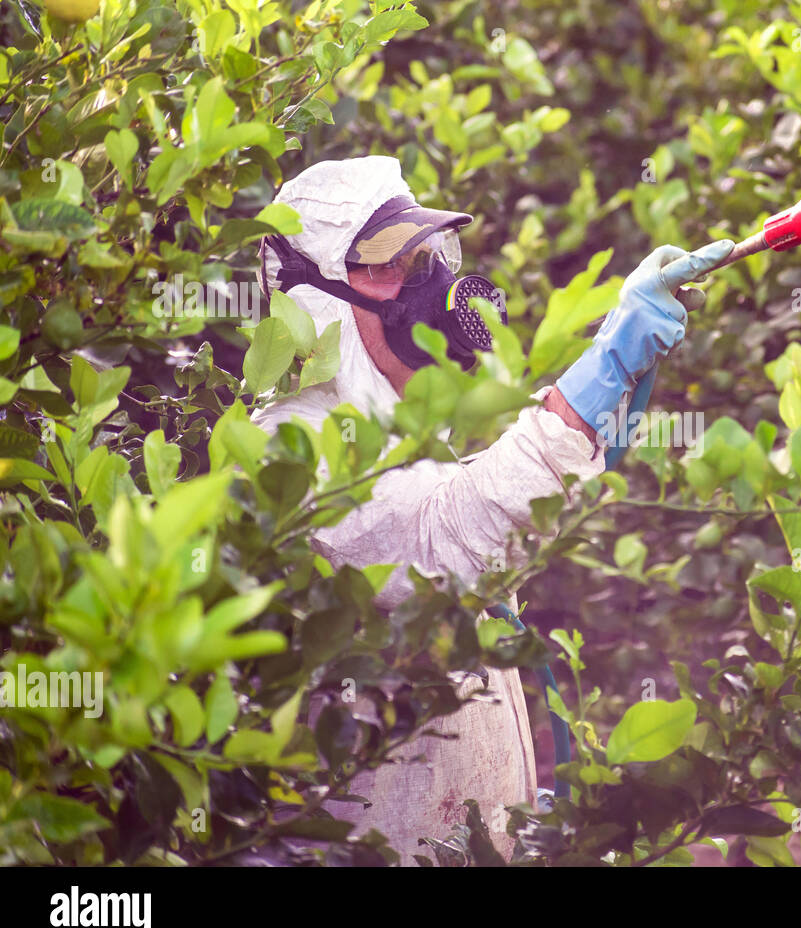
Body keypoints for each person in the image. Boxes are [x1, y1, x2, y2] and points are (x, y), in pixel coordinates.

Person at [248, 155, 732, 864]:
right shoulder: (292, 447)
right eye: (386, 269)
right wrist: (599, 372)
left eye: (423, 262)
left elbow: (460, 509)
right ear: (314, 298)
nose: (431, 291)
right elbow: (442, 544)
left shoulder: (390, 433)